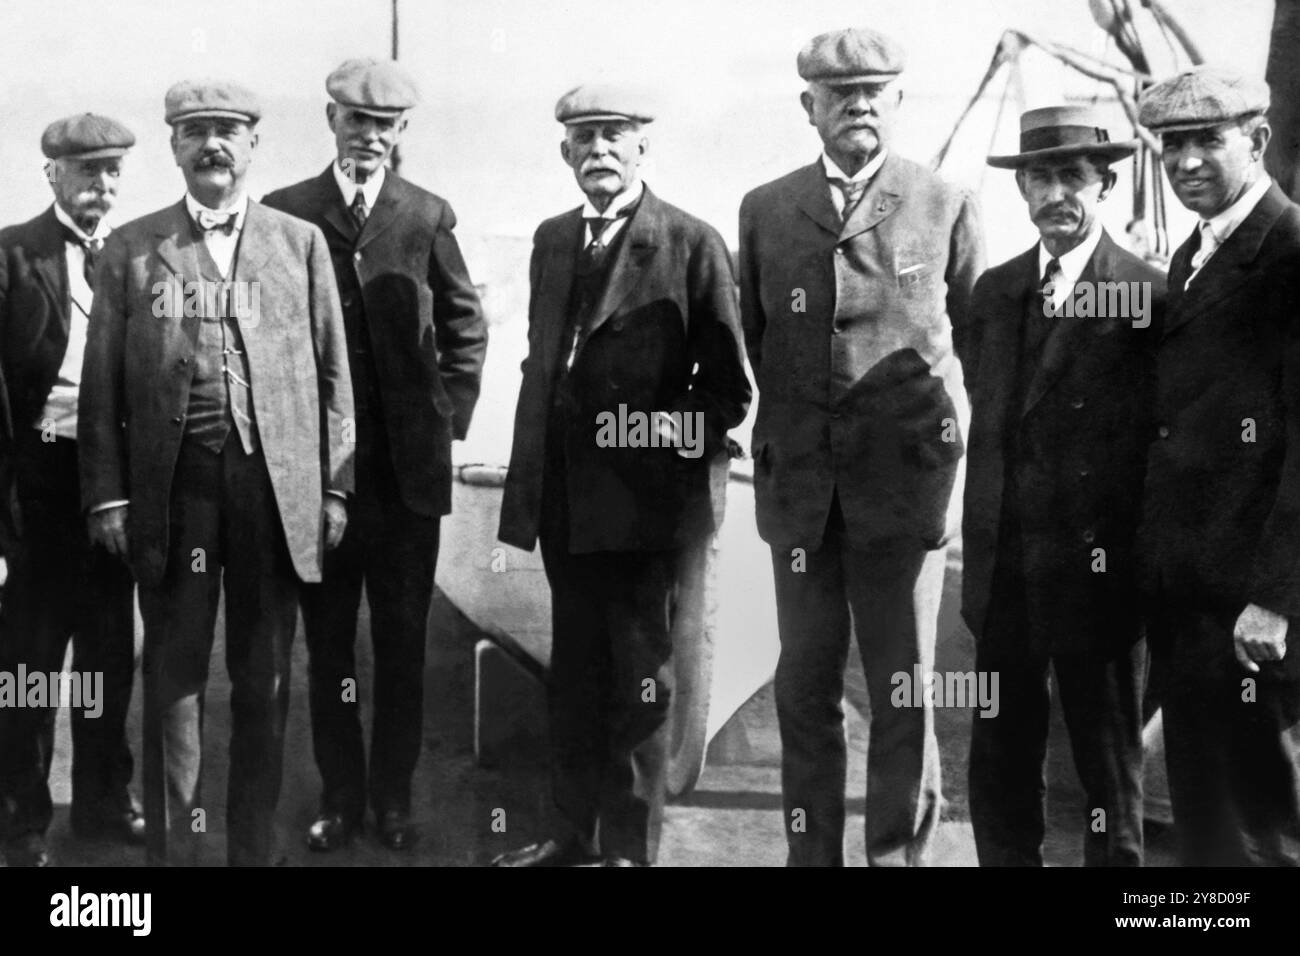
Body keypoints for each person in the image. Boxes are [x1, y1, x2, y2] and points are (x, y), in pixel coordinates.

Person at [78, 80, 355, 866]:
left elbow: (336, 377)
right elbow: (101, 391)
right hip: (176, 496)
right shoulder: (134, 250)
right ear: (173, 146)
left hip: (274, 497)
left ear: (254, 144)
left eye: (228, 129)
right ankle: (176, 858)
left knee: (265, 683)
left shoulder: (298, 243)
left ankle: (251, 855)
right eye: (196, 130)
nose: (213, 145)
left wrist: (334, 486)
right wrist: (108, 496)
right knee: (174, 682)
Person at [738, 26, 983, 866]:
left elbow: (976, 348)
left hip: (901, 496)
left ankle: (892, 856)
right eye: (842, 95)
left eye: (876, 91)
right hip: (800, 496)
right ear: (810, 106)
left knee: (901, 691)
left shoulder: (943, 201)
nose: (860, 105)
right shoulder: (767, 208)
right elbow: (758, 333)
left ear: (901, 101)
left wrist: (943, 465)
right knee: (805, 688)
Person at [493, 84, 750, 867]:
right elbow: (546, 366)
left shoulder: (690, 242)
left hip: (645, 511)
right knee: (571, 675)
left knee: (641, 682)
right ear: (565, 152)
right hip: (566, 503)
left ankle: (630, 853)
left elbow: (729, 391)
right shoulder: (550, 240)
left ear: (645, 147)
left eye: (617, 136)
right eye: (586, 137)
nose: (600, 150)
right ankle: (569, 838)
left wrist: (646, 439)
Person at [261, 57, 487, 853]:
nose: (370, 138)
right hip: (320, 481)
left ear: (402, 133)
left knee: (401, 650)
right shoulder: (284, 214)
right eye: (357, 121)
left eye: (385, 126)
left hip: (406, 485)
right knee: (328, 651)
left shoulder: (426, 215)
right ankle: (339, 798)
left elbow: (466, 327)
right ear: (331, 121)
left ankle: (392, 801)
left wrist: (444, 420)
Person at [962, 106, 1165, 866]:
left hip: (1099, 575)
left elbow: (1159, 445)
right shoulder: (996, 292)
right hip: (1006, 571)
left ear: (1105, 183)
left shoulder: (1145, 293)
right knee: (1001, 760)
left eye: (1073, 176)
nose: (1056, 194)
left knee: (1107, 768)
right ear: (1023, 192)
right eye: (1040, 177)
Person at [1137, 65, 1300, 866]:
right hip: (1186, 593)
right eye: (1172, 146)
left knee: (1258, 822)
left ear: (1259, 141)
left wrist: (1272, 599)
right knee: (1202, 813)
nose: (1186, 162)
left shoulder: (1291, 251)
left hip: (1246, 606)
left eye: (1207, 141)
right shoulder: (1192, 258)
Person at [0, 113, 143, 867]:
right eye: (87, 171)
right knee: (26, 664)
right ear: (51, 173)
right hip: (37, 484)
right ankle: (23, 816)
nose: (102, 185)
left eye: (113, 172)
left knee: (107, 655)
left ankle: (102, 803)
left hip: (111, 485)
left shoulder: (134, 255)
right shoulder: (11, 255)